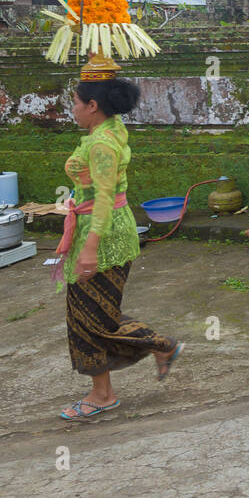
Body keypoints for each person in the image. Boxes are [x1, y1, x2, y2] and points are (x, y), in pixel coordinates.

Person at [56, 61, 183, 420]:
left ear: (92, 106)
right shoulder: (112, 127)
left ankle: (104, 393)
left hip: (105, 234)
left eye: (77, 102)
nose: (73, 109)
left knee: (89, 317)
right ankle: (153, 352)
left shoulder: (102, 144)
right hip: (106, 228)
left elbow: (105, 196)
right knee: (94, 313)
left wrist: (90, 248)